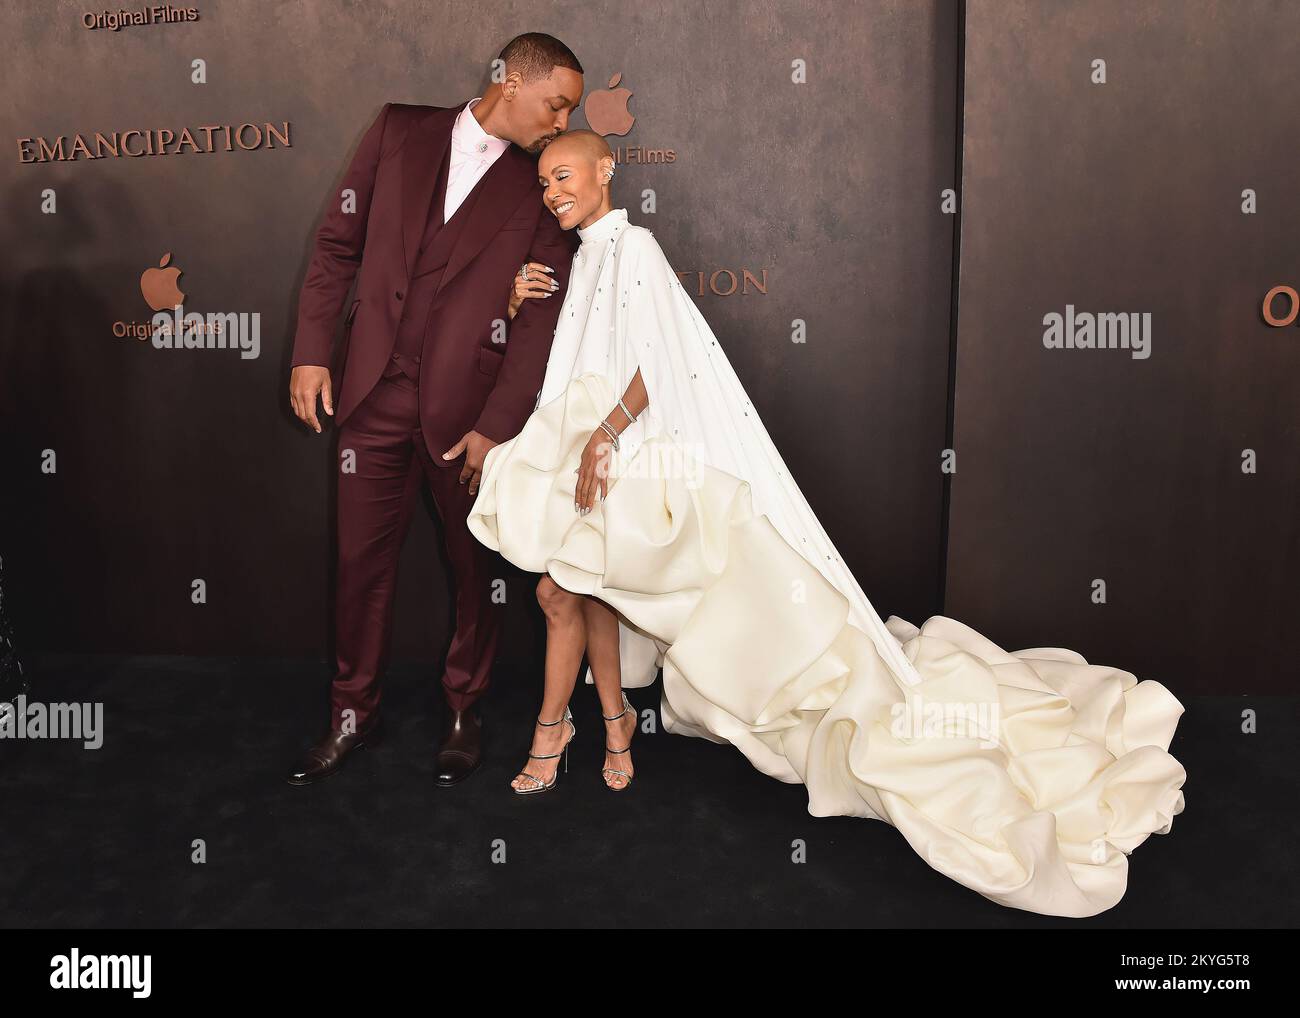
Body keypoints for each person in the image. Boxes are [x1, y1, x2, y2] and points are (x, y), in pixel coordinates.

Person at [466, 130, 1188, 918]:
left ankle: (572, 730)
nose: (552, 193)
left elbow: (654, 369)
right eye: (542, 183)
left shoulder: (634, 247)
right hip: (610, 457)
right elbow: (574, 359)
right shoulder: (587, 256)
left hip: (639, 459)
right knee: (573, 587)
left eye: (563, 176)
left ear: (606, 169)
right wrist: (518, 309)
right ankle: (603, 728)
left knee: (575, 588)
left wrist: (605, 434)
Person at [284, 34, 583, 788]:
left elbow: (542, 317)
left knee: (472, 568)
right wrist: (312, 352)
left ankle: (463, 707)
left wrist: (498, 425)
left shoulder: (541, 181)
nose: (562, 120)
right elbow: (336, 246)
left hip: (470, 413)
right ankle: (353, 712)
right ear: (511, 81)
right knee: (358, 566)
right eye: (556, 102)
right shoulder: (397, 130)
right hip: (370, 397)